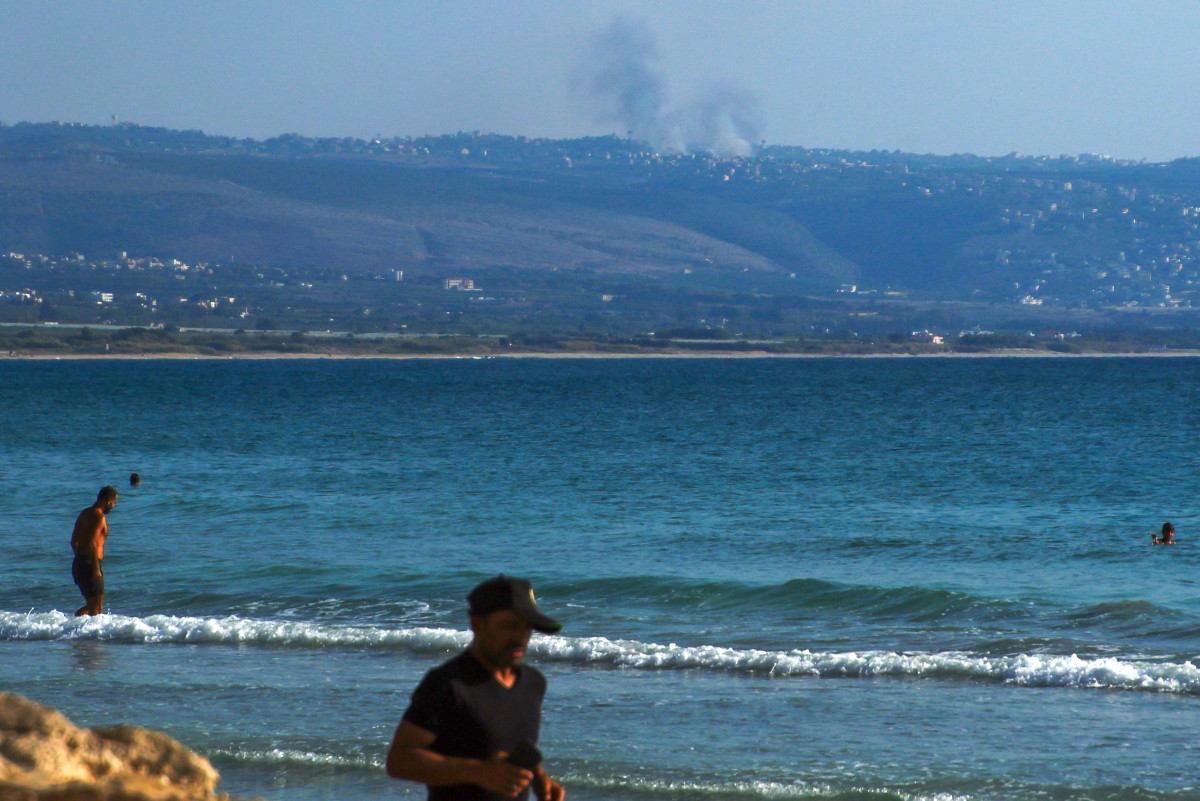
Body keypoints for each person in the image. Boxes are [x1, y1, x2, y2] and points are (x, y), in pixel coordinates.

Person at [387, 574, 566, 801]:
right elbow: (399, 761)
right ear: (477, 625)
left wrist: (539, 777)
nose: (520, 638)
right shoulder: (448, 685)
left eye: (527, 627)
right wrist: (477, 771)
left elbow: (513, 742)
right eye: (509, 625)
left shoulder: (532, 683)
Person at [70, 486, 118, 616]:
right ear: (108, 501)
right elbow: (92, 543)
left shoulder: (84, 513)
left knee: (93, 607)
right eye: (114, 503)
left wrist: (81, 558)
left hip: (79, 563)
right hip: (91, 564)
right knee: (95, 609)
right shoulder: (99, 517)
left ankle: (76, 629)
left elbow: (74, 541)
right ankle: (78, 631)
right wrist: (96, 568)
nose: (113, 506)